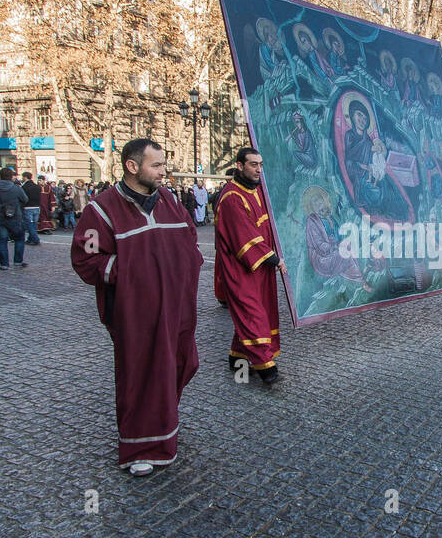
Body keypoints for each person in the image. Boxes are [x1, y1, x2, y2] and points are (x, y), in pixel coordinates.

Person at [71, 138, 202, 476]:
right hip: (136, 314)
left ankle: (164, 427)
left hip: (177, 309)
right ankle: (140, 447)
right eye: (156, 165)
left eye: (163, 164)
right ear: (132, 167)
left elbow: (189, 239)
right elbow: (86, 260)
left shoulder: (171, 201)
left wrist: (186, 264)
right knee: (142, 376)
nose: (163, 171)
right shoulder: (100, 209)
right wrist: (132, 271)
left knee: (176, 366)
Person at [216, 147, 286, 380]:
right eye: (253, 164)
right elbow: (244, 236)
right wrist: (274, 259)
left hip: (260, 266)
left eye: (260, 164)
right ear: (239, 165)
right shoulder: (231, 197)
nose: (258, 169)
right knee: (252, 312)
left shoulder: (257, 191)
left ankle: (237, 358)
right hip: (241, 269)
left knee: (259, 311)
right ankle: (264, 364)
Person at [0, 166, 29, 270]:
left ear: (0, 176)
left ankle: (4, 264)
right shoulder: (16, 188)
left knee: (1, 241)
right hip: (14, 217)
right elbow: (25, 199)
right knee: (19, 239)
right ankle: (18, 261)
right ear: (11, 176)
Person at [20, 171, 42, 245]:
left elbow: (23, 198)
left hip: (28, 207)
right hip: (37, 207)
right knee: (34, 224)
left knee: (29, 224)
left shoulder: (24, 187)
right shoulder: (37, 186)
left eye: (22, 177)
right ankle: (30, 238)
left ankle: (35, 238)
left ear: (25, 177)